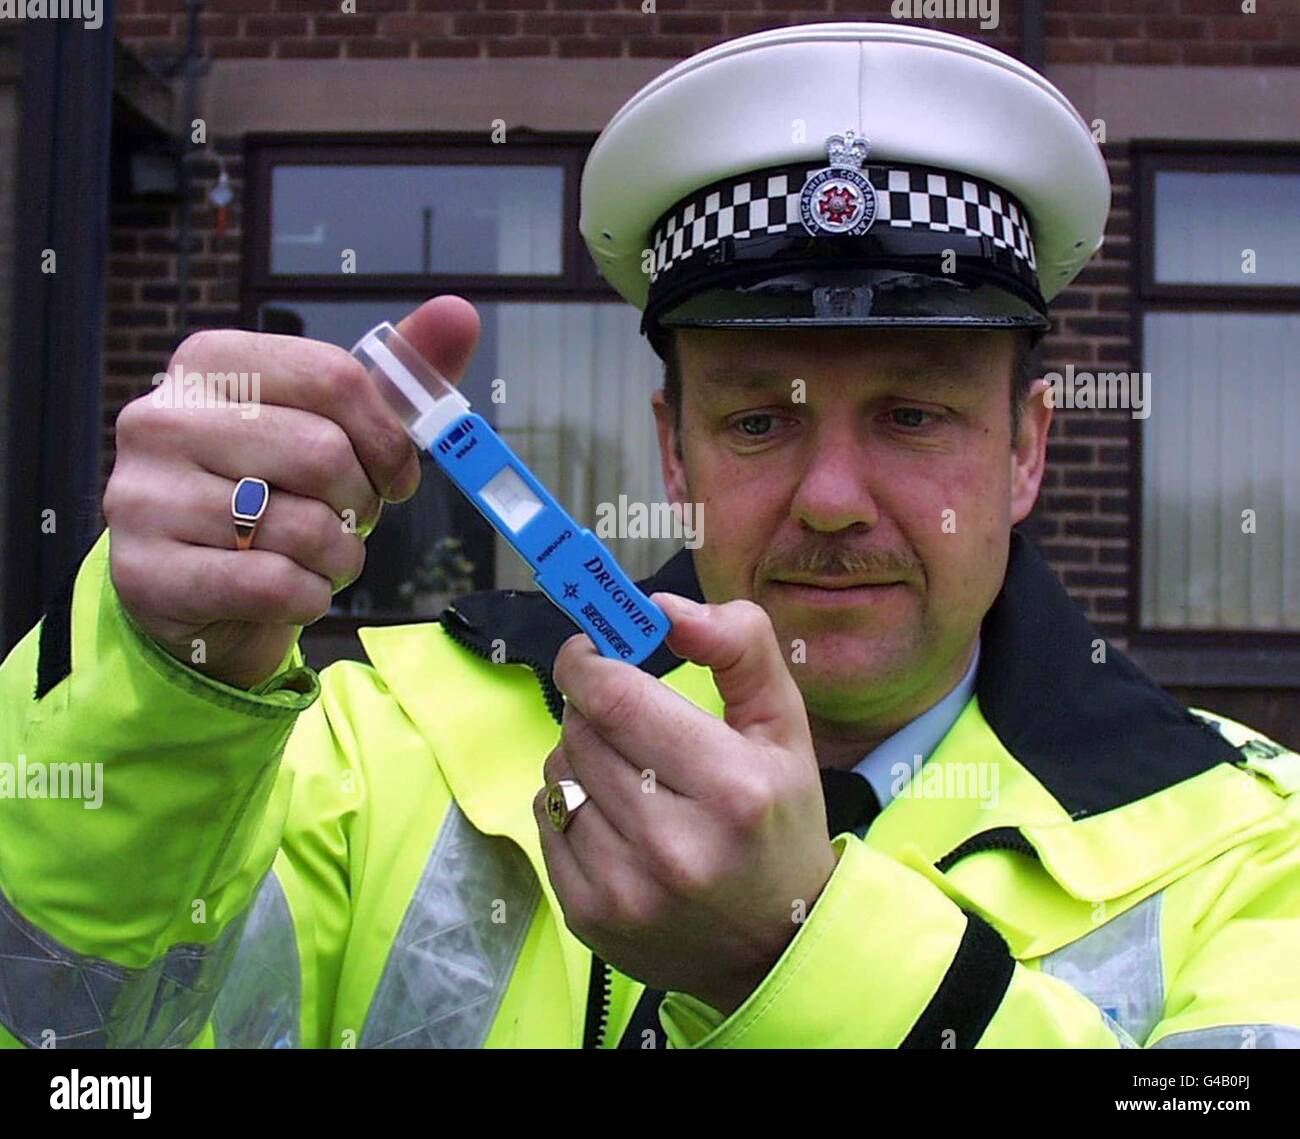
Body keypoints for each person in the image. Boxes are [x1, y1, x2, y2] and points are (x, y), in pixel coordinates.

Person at [2, 22, 1297, 1050]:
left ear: (1026, 451)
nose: (833, 498)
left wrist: (795, 962)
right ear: (673, 448)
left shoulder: (1253, 846)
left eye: (912, 415)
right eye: (756, 423)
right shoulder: (383, 743)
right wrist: (158, 691)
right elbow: (73, 1040)